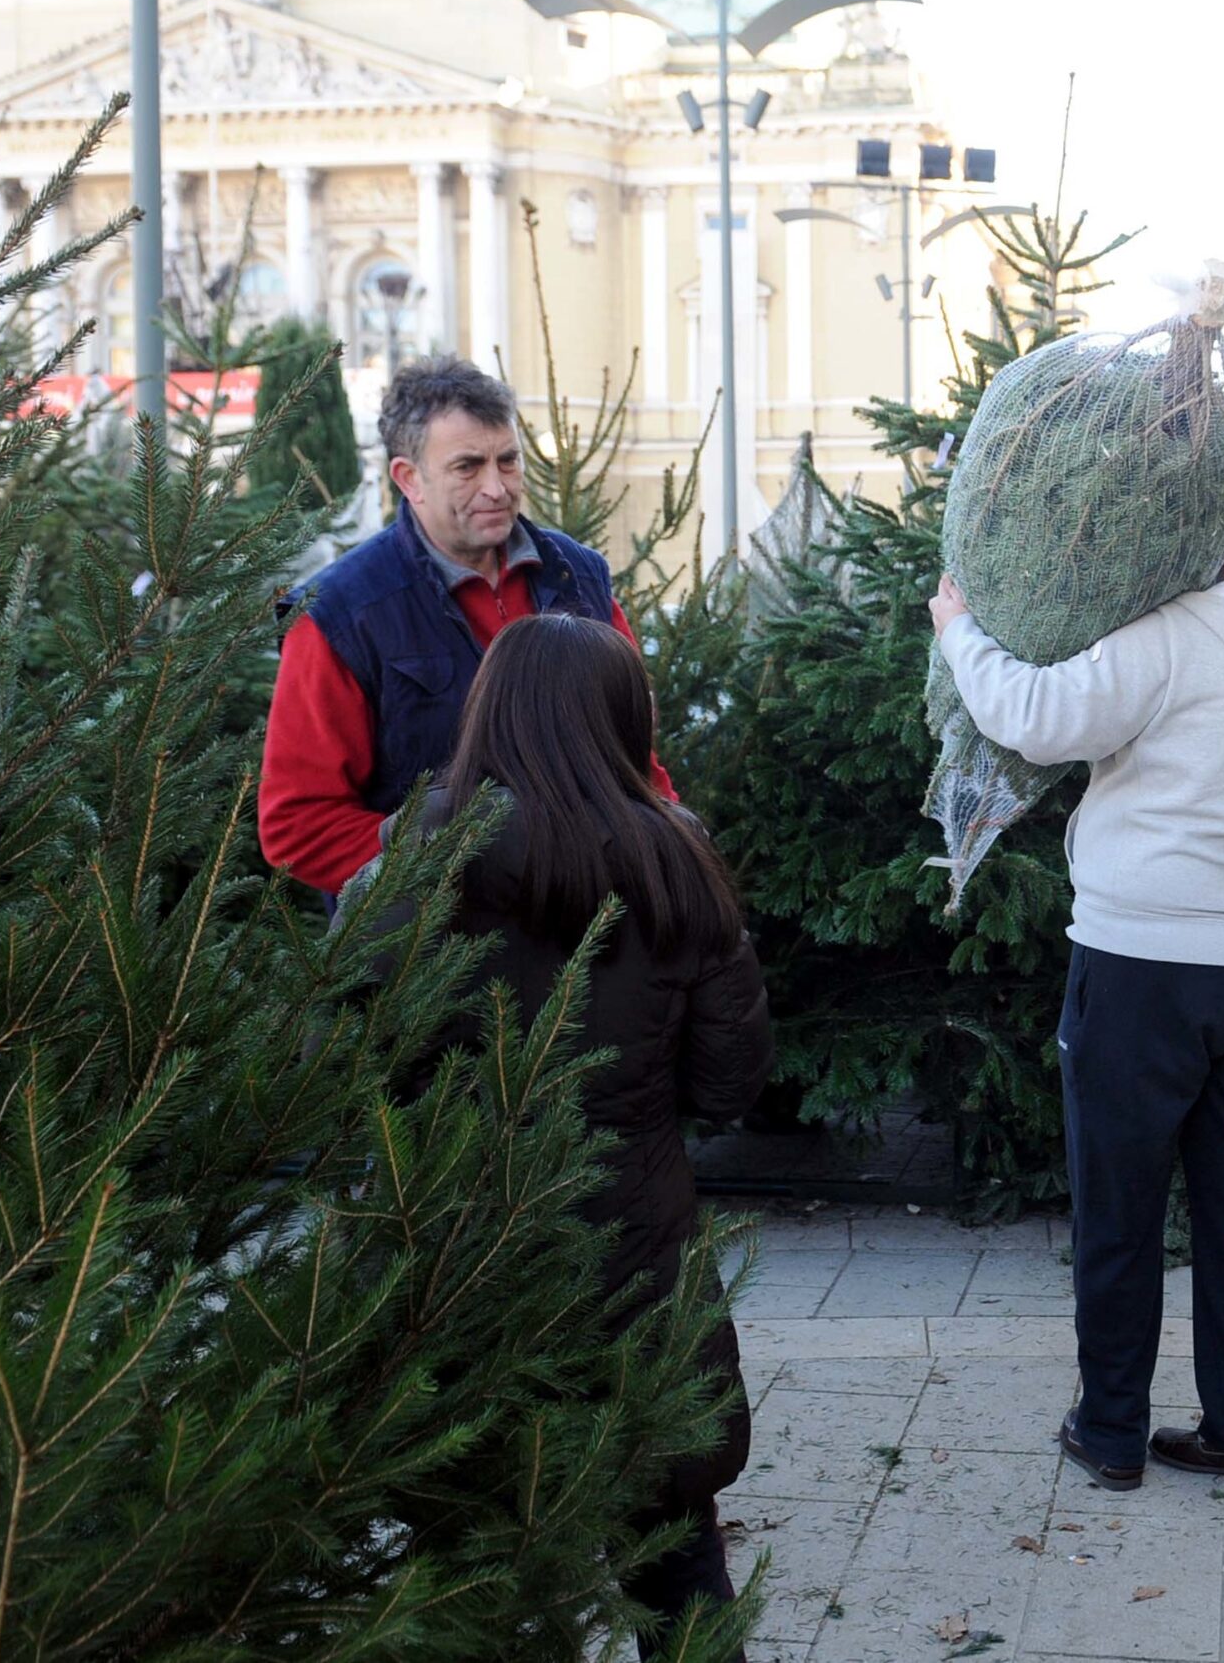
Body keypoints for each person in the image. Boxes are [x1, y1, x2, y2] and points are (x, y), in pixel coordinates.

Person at [929, 470, 1224, 1495]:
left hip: (1148, 957)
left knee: (1120, 1203)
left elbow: (1034, 715)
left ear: (1209, 536)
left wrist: (958, 627)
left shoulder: (1177, 631)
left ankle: (1112, 1427)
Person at [388, 613, 772, 1661]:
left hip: (458, 1266)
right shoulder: (677, 858)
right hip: (631, 1256)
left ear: (488, 710)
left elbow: (350, 1051)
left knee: (468, 1574)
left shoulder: (416, 857)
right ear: (623, 718)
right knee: (675, 1551)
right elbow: (732, 1081)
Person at [259, 356, 673, 897]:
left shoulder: (581, 577)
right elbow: (299, 827)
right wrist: (473, 872)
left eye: (508, 461)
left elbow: (637, 760)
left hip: (595, 925)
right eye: (468, 466)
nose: (497, 488)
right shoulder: (340, 614)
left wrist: (671, 851)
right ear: (410, 479)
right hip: (426, 957)